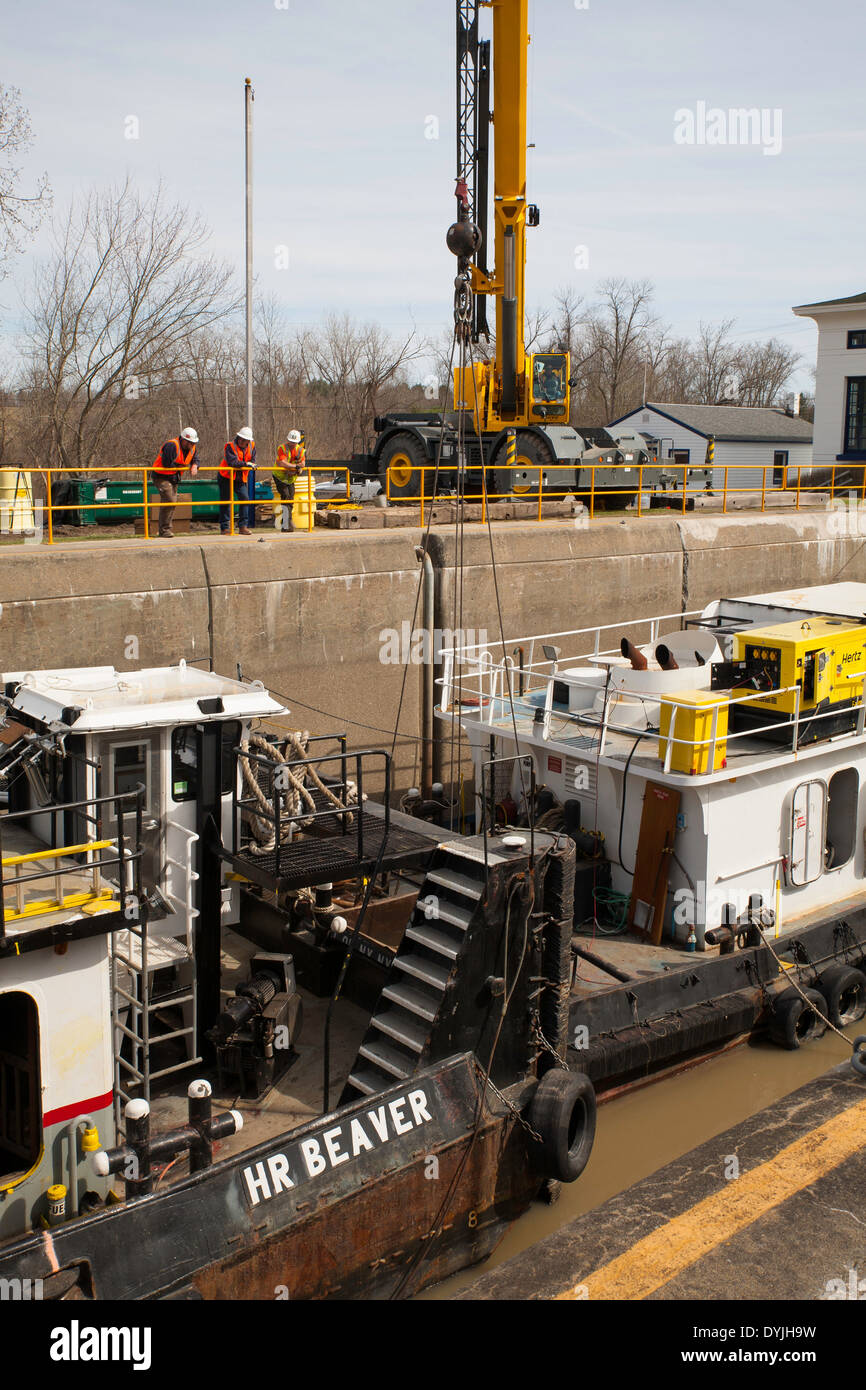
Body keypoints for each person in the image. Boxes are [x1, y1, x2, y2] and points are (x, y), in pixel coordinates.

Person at [151, 427, 199, 537]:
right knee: (170, 500)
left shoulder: (192, 448)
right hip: (161, 476)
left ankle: (165, 529)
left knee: (172, 503)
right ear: (183, 440)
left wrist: (195, 465)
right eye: (190, 442)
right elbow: (167, 463)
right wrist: (181, 466)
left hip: (174, 478)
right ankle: (164, 530)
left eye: (193, 442)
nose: (192, 445)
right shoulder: (172, 445)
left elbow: (195, 458)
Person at [218, 427, 256, 535]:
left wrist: (248, 464)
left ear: (249, 441)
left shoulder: (252, 447)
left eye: (245, 440)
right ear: (238, 437)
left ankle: (243, 526)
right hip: (226, 476)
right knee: (226, 501)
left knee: (244, 499)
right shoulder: (230, 446)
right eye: (241, 439)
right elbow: (232, 462)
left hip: (240, 478)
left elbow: (252, 461)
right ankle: (225, 528)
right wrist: (246, 464)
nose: (243, 442)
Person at [272, 429, 305, 533]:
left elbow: (303, 464)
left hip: (290, 478)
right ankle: (286, 525)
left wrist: (297, 470)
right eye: (291, 442)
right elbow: (282, 463)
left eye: (294, 442)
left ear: (297, 442)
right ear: (287, 440)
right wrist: (295, 466)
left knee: (290, 499)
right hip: (280, 477)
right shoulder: (282, 448)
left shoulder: (300, 450)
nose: (292, 444)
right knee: (286, 496)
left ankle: (286, 523)